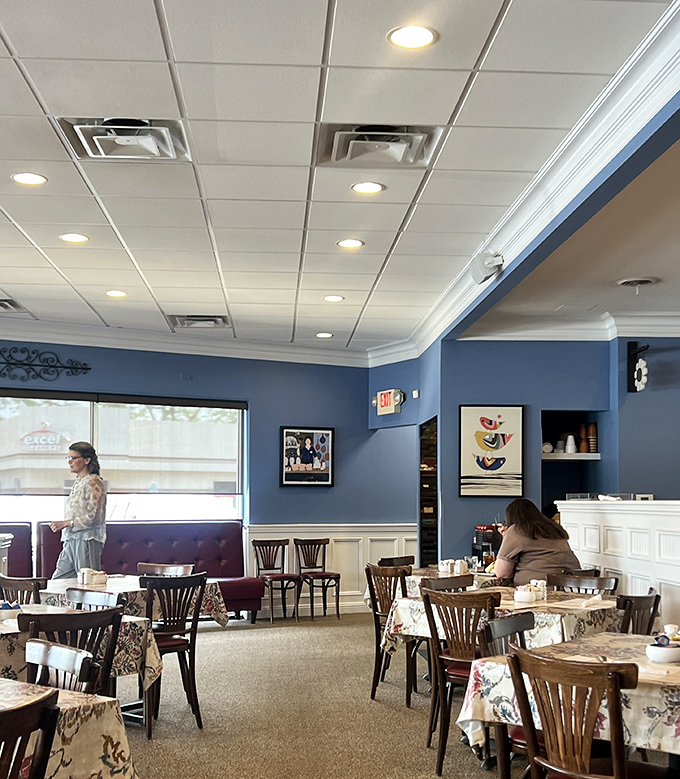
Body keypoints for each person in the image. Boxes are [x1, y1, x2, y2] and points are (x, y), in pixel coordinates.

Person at [49, 441, 107, 578]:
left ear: (86, 460)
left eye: (73, 458)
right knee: (58, 580)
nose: (69, 462)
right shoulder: (79, 482)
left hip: (87, 539)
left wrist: (66, 523)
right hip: (71, 538)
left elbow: (94, 516)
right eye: (68, 458)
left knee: (87, 584)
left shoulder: (93, 481)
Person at [493, 498, 580, 585]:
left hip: (539, 590)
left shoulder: (516, 530)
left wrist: (506, 538)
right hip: (573, 585)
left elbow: (501, 573)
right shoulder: (553, 527)